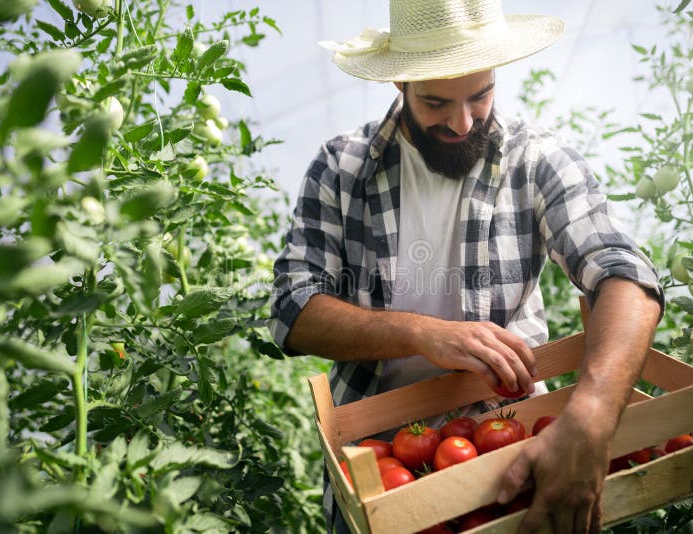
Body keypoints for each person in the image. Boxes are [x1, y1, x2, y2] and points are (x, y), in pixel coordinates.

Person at [269, 1, 664, 532]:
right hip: (383, 469)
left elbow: (622, 272)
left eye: (480, 95)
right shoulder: (341, 169)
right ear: (400, 83)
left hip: (509, 446)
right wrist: (420, 333)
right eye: (435, 101)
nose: (462, 121)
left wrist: (591, 417)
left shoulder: (536, 160)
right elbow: (293, 308)